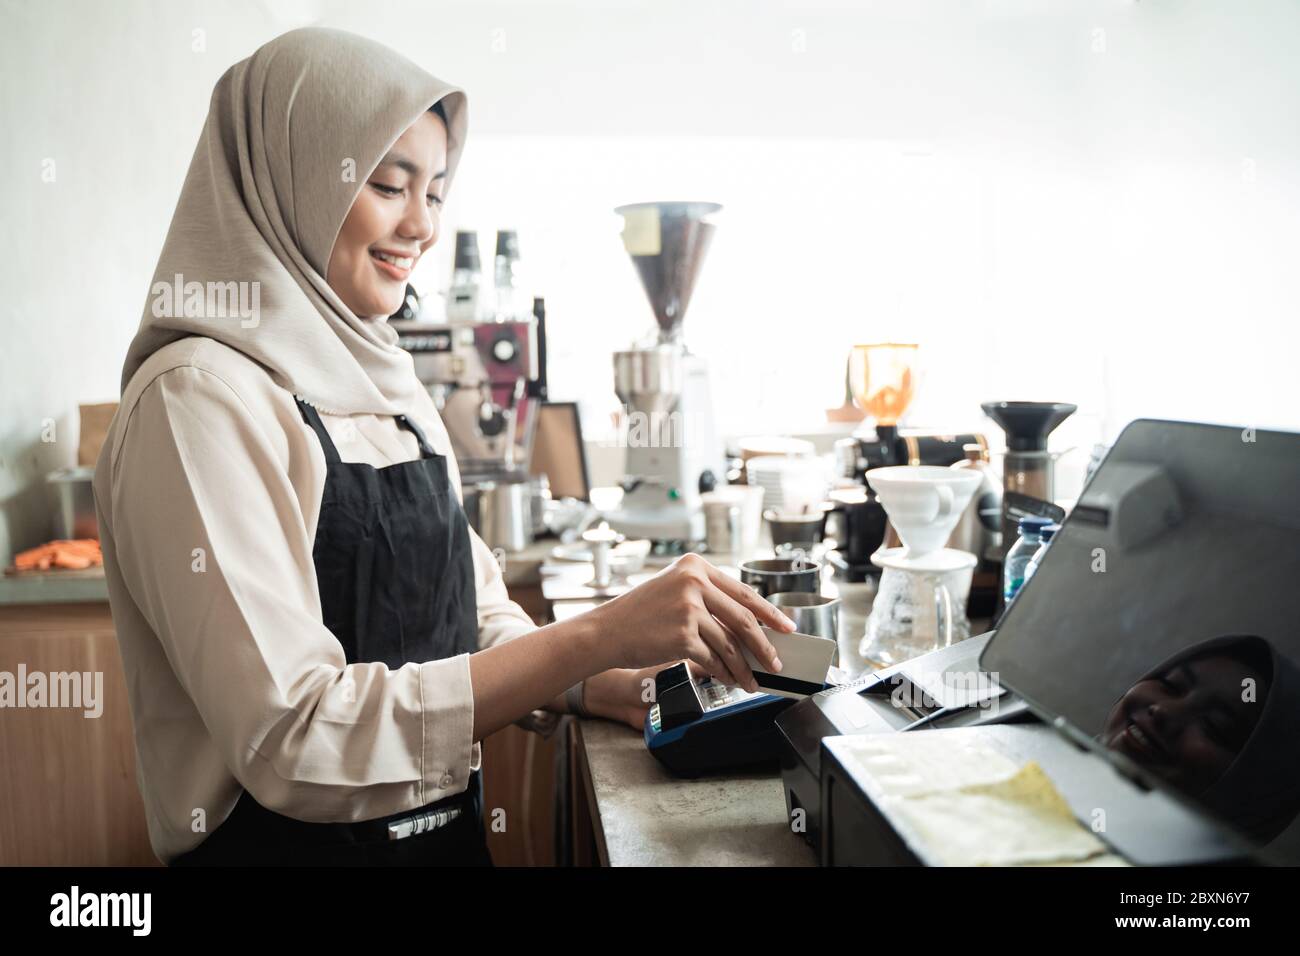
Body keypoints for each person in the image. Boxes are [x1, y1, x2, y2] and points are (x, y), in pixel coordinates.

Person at [94, 26, 793, 866]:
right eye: (390, 185)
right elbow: (296, 736)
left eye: (435, 191)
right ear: (292, 178)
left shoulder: (381, 373)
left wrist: (598, 683)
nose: (420, 226)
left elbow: (470, 613)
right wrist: (594, 635)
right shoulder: (200, 399)